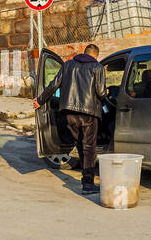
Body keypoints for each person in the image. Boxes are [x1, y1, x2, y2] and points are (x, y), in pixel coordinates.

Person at [34, 44, 109, 195]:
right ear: (95, 56)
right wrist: (107, 92)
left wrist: (40, 101)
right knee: (89, 147)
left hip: (69, 113)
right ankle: (88, 184)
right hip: (89, 114)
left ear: (84, 53)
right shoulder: (97, 67)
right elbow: (101, 93)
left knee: (81, 146)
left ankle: (85, 180)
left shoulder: (68, 65)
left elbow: (53, 85)